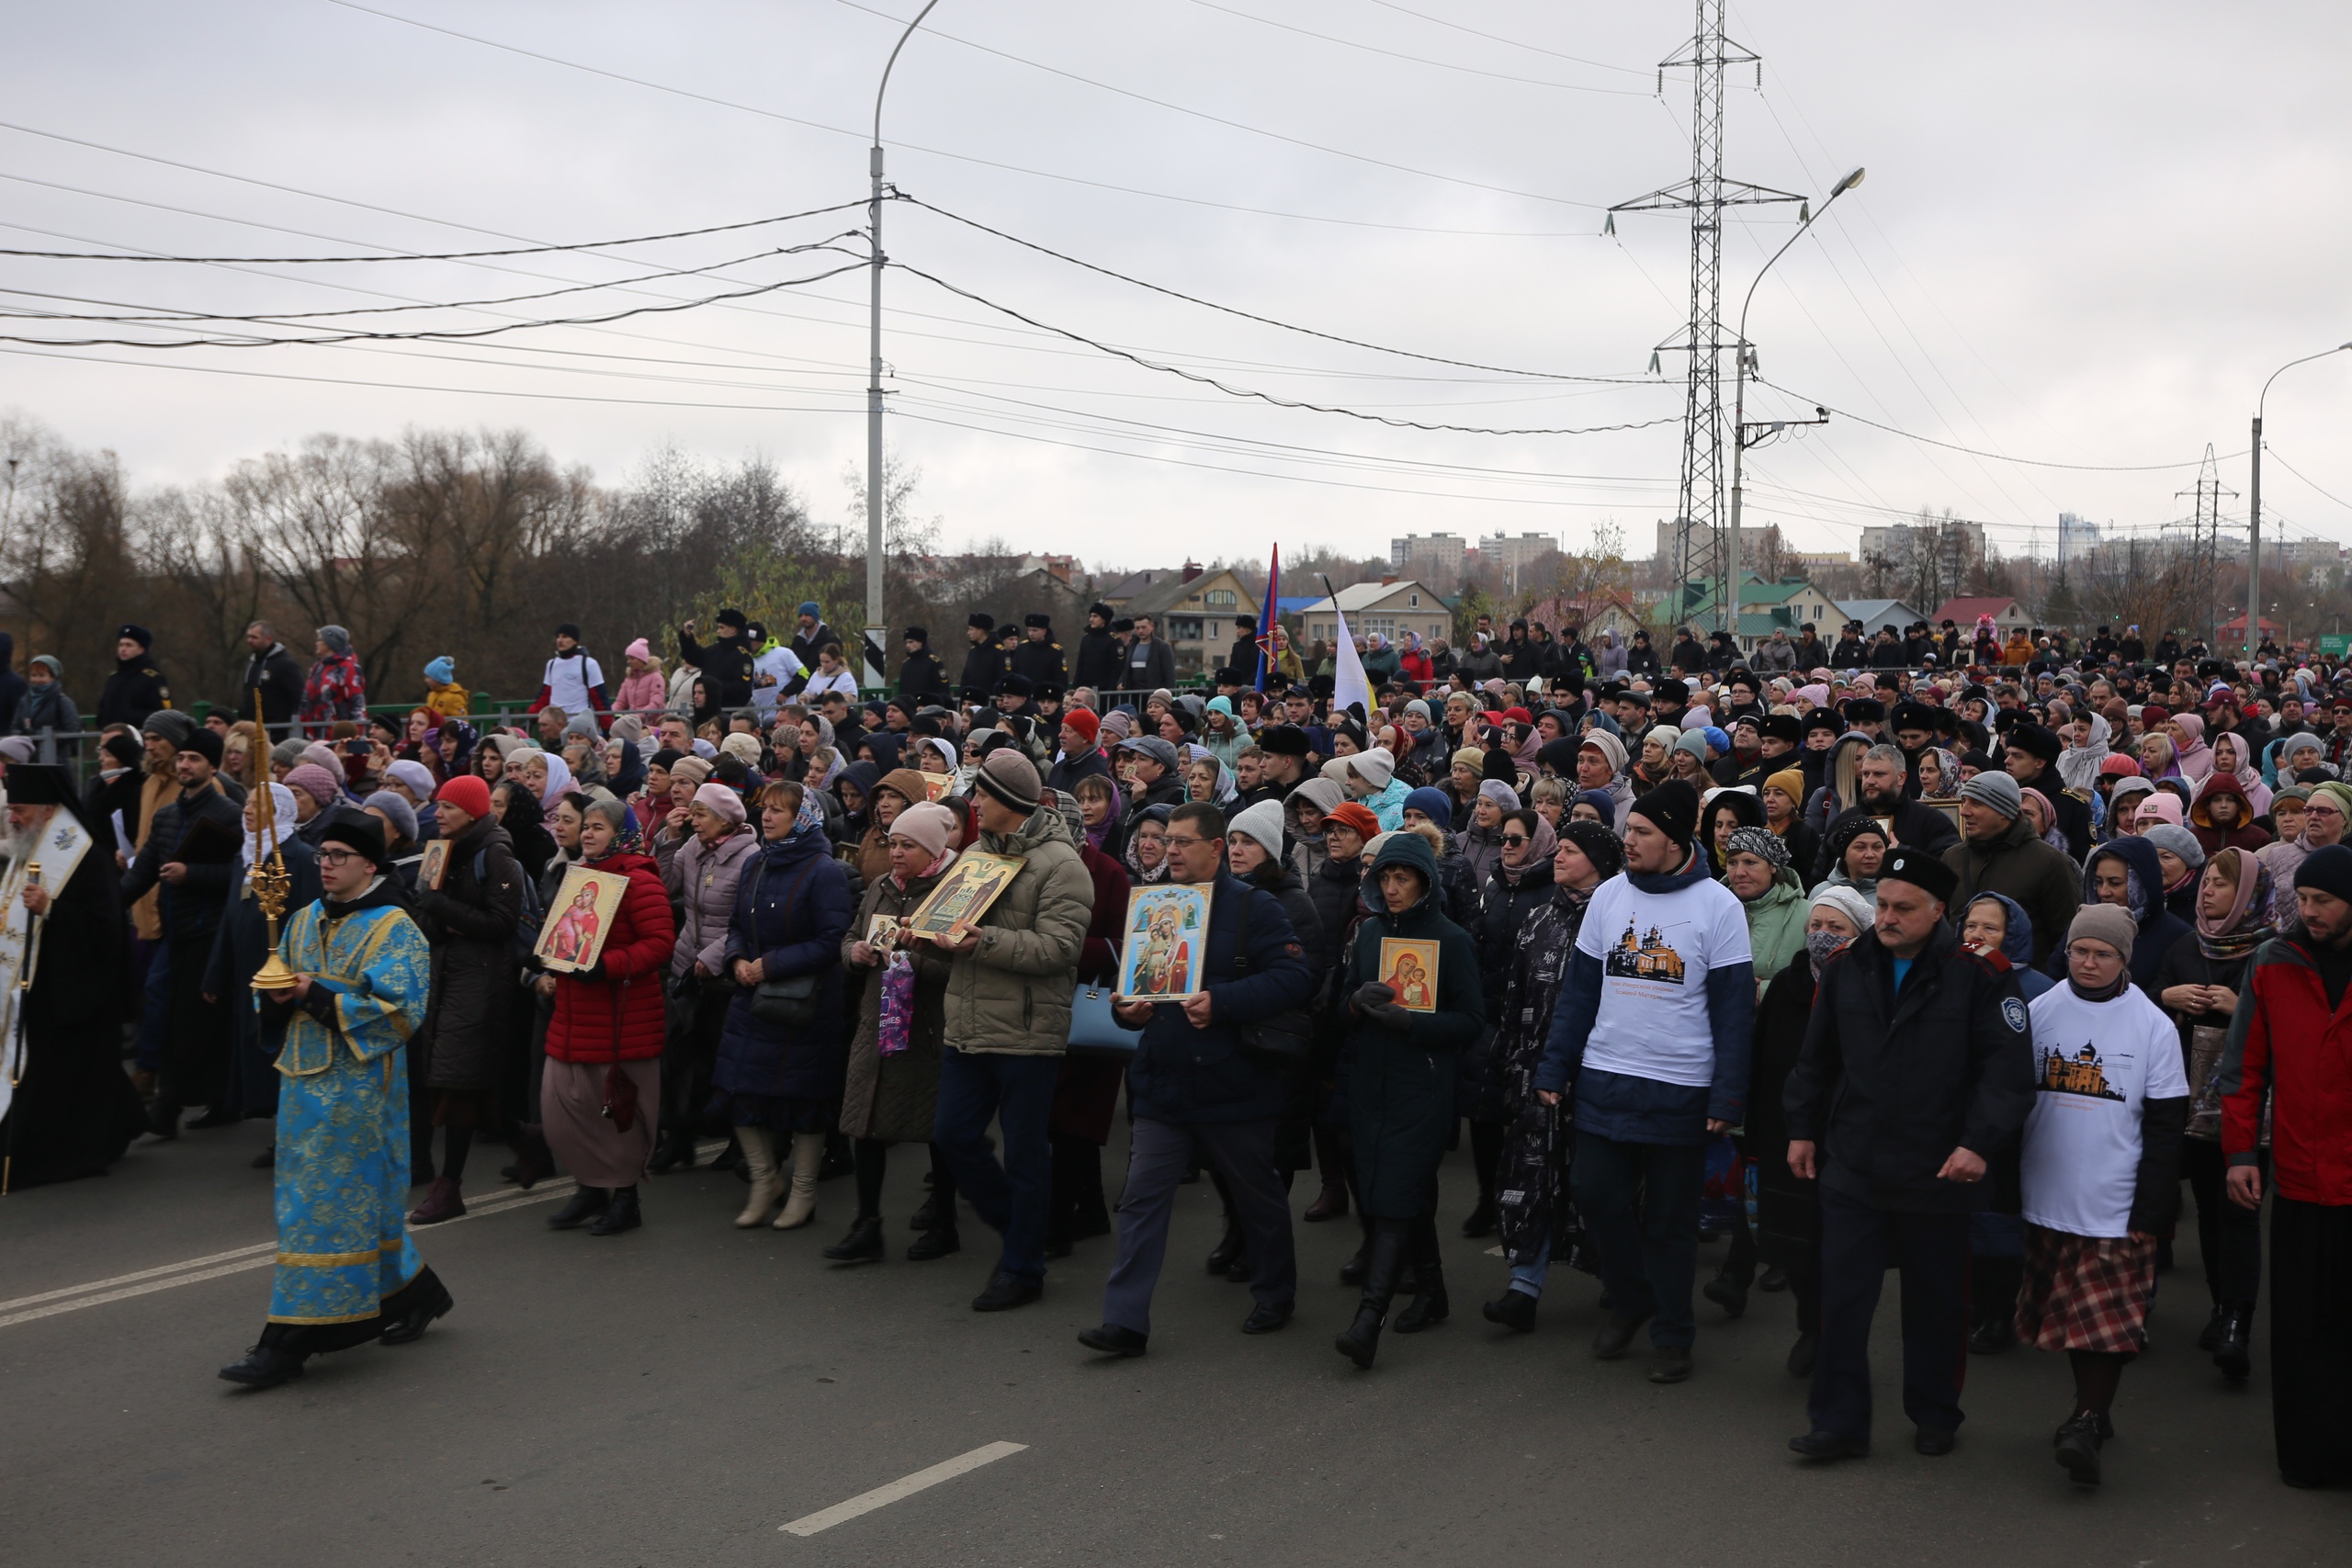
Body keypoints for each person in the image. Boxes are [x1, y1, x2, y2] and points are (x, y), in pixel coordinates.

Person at [1782, 847, 2034, 1461]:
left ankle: (1934, 1410)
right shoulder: (1848, 966)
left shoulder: (1980, 973)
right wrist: (1802, 1128)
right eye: (1883, 905)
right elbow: (1816, 1059)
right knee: (1841, 1301)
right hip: (1854, 1161)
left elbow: (2006, 1074)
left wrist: (1978, 1142)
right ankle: (1838, 1422)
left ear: (1938, 909)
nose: (1887, 917)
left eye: (1902, 908)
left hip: (1938, 1165)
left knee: (1937, 1301)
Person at [214, 809, 451, 1389]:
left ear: (370, 864)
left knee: (319, 1213)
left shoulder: (396, 928)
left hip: (359, 1093)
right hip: (301, 1084)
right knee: (348, 1209)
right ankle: (418, 1294)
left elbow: (402, 1012)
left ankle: (288, 1342)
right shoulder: (300, 921)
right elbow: (275, 988)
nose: (325, 866)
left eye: (338, 857)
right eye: (322, 856)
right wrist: (272, 997)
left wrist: (313, 994)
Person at [1535, 779, 1753, 1385]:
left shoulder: (1718, 905)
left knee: (1670, 1222)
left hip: (1681, 1087)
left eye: (1642, 832)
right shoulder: (1608, 898)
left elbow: (1734, 1012)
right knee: (1595, 1195)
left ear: (1677, 838)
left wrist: (1728, 1095)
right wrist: (1555, 1066)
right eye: (1629, 830)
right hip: (1607, 1076)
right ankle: (1631, 1296)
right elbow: (1579, 994)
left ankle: (1673, 1334)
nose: (1628, 840)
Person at [1077, 801, 1316, 1357]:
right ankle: (1125, 1321)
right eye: (1167, 840)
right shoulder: (1153, 904)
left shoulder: (1254, 907)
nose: (1172, 850)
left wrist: (1223, 1003)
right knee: (1140, 1202)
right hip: (1163, 1081)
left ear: (1215, 849)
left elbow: (1295, 976)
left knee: (1256, 1196)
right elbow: (1133, 985)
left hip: (1233, 1083)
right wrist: (1124, 1010)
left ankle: (1276, 1292)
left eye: (1184, 842)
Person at [2011, 904, 2189, 1486]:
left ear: (2124, 960)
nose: (2088, 963)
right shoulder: (2040, 1011)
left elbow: (2166, 1127)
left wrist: (2154, 1207)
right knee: (2070, 1317)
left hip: (2116, 1198)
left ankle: (2086, 1420)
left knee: (2105, 1323)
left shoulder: (2152, 1025)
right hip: (2046, 1192)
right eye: (2080, 951)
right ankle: (2095, 1410)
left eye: (2102, 954)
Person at [930, 750, 1093, 1310]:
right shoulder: (975, 853)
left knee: (1026, 1153)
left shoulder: (1061, 864)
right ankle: (1024, 1227)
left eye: (982, 795)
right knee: (952, 1134)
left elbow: (1061, 949)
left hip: (1027, 1030)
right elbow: (950, 925)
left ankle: (1023, 1267)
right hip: (968, 1023)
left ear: (1009, 803)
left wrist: (986, 942)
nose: (972, 804)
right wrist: (922, 933)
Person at [2217, 843, 2352, 1490]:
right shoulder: (2274, 961)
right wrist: (2241, 1152)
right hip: (2299, 1173)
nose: (2310, 911)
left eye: (2324, 900)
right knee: (2301, 1328)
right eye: (2303, 899)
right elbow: (2244, 1067)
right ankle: (2307, 1454)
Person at [1331, 830, 1485, 1370]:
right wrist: (1355, 1003)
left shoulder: (1452, 939)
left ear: (1425, 882)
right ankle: (1433, 1291)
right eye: (1386, 879)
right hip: (1370, 1083)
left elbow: (1471, 1022)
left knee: (1395, 1198)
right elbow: (1342, 999)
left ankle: (1367, 1322)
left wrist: (1413, 1021)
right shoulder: (1371, 934)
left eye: (1402, 879)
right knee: (1395, 1193)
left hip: (1422, 1087)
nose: (1392, 889)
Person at [1482, 818, 1621, 1331]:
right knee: (1530, 1176)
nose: (1557, 858)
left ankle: (1619, 1277)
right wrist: (1511, 1062)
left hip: (1599, 1075)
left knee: (1598, 1181)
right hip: (1535, 1073)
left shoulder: (1621, 922)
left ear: (1600, 864)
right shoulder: (1538, 919)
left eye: (1570, 851)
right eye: (1557, 848)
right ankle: (1524, 1287)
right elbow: (1515, 996)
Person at [2154, 846, 2272, 1382]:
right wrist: (2166, 995)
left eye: (2221, 884)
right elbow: (2147, 1012)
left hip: (2252, 1103)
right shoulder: (2185, 945)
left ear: (2248, 893)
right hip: (2192, 1099)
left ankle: (2237, 1321)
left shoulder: (2271, 952)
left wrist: (2239, 1005)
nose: (2207, 891)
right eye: (2205, 883)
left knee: (2240, 1207)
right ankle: (2220, 1303)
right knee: (2206, 1201)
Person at [716, 780, 854, 1228]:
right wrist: (736, 957)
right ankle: (764, 1180)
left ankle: (803, 1191)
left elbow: (832, 941)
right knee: (742, 1093)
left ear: (804, 817)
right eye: (764, 808)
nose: (766, 816)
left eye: (778, 810)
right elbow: (736, 922)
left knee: (805, 1104)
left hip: (805, 1005)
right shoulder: (758, 862)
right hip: (752, 999)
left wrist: (768, 965)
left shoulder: (824, 870)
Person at [830, 801, 962, 1262]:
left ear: (931, 850)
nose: (896, 853)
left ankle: (944, 1221)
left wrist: (914, 961)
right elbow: (849, 935)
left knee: (935, 1130)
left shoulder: (952, 892)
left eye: (908, 845)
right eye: (892, 843)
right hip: (877, 1020)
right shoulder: (881, 887)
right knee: (864, 1125)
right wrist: (857, 954)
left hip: (926, 1028)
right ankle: (867, 1225)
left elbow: (962, 968)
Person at [0, 764, 144, 1188]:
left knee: (63, 1080)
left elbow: (106, 931)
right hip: (35, 991)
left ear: (49, 810)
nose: (13, 818)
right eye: (11, 809)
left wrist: (52, 909)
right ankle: (125, 1120)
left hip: (75, 990)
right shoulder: (25, 850)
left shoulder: (87, 858)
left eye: (20, 810)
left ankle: (59, 1154)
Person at [537, 798, 673, 1237]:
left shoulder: (639, 879)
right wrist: (546, 957)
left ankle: (626, 1199)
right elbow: (566, 934)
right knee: (565, 1109)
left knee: (618, 1113)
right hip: (574, 1013)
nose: (589, 834)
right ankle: (590, 1189)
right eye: (588, 826)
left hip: (621, 1017)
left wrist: (607, 966)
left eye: (599, 827)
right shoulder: (580, 876)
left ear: (621, 832)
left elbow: (659, 944)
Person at [405, 774, 526, 1222]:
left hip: (481, 980)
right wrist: (439, 914)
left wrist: (443, 909)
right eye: (437, 806)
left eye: (448, 808)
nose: (437, 814)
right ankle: (527, 1140)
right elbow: (425, 920)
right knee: (457, 1080)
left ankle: (449, 1186)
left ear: (472, 813)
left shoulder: (496, 854)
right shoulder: (441, 851)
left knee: (456, 1082)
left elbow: (501, 924)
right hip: (446, 976)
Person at [117, 726, 243, 1136]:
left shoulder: (226, 814)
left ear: (212, 766)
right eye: (182, 758)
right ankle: (171, 1107)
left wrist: (193, 874)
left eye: (194, 759)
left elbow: (238, 875)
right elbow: (146, 867)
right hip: (175, 931)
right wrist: (107, 906)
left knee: (195, 1021)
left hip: (208, 933)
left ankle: (201, 1101)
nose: (185, 765)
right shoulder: (168, 814)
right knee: (164, 1011)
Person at [202, 782, 323, 1148]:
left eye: (260, 804)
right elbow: (230, 918)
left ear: (282, 811)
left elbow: (309, 919)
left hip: (282, 976)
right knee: (253, 1045)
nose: (248, 809)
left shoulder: (298, 857)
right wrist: (215, 973)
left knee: (281, 1049)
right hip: (247, 971)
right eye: (248, 803)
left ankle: (290, 1133)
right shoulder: (249, 855)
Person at [1942, 769, 2080, 967]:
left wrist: (2043, 984)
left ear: (2004, 811)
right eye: (1964, 801)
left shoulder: (2049, 862)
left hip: (2023, 989)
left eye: (1976, 803)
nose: (1964, 811)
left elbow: (2066, 937)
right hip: (1961, 981)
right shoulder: (1952, 857)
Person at [237, 622, 307, 736]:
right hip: (253, 731)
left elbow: (299, 698)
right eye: (248, 637)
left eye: (254, 637)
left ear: (268, 638)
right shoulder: (252, 663)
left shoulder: (285, 664)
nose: (249, 641)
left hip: (277, 732)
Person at [96, 625, 171, 728]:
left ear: (141, 649)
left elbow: (162, 715)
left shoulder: (152, 678)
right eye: (121, 645)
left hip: (139, 739)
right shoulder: (113, 678)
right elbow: (103, 710)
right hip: (110, 738)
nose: (123, 649)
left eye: (129, 645)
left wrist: (126, 717)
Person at [299, 626, 367, 736]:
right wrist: (302, 727)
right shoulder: (317, 668)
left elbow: (357, 705)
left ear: (330, 643)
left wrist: (356, 738)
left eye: (320, 640)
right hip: (313, 737)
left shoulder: (349, 668)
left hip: (338, 738)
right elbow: (305, 700)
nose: (316, 643)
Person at [10, 654, 80, 761]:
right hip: (29, 759)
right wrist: (23, 737)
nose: (37, 680)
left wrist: (41, 736)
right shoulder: (24, 701)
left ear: (53, 677)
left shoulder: (62, 701)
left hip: (56, 759)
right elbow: (16, 726)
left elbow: (72, 732)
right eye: (34, 675)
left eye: (42, 675)